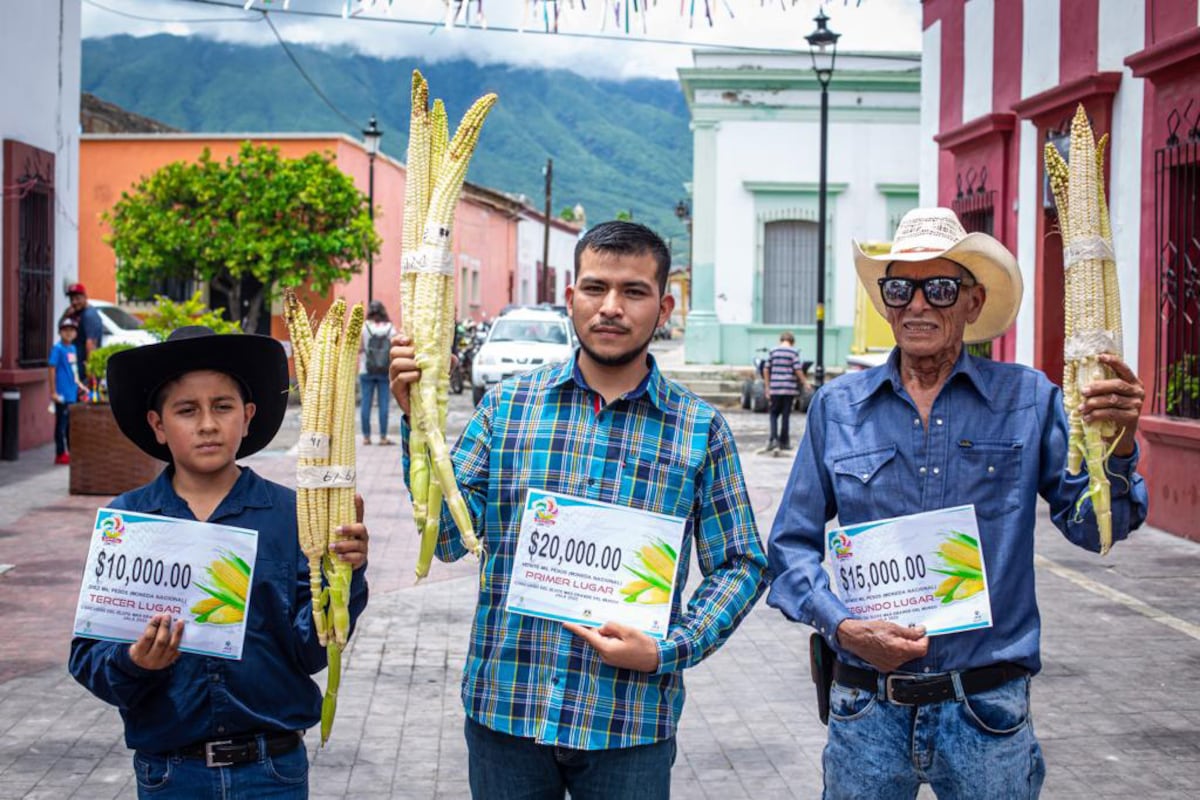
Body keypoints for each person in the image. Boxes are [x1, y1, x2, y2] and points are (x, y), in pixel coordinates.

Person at [766, 207, 1148, 799]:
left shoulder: (1029, 401)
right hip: (866, 706)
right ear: (886, 303)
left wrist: (1116, 447)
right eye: (900, 288)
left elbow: (1097, 527)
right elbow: (789, 547)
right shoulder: (836, 409)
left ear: (972, 303)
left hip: (987, 711)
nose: (918, 305)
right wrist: (841, 625)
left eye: (940, 288)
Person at [389, 221, 767, 800]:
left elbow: (740, 563)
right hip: (507, 710)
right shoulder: (507, 408)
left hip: (628, 723)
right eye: (595, 288)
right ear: (571, 299)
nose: (611, 308)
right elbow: (446, 538)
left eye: (633, 292)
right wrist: (418, 425)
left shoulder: (699, 429)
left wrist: (670, 649)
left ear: (663, 307)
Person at [68, 326, 370, 799]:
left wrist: (345, 575)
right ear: (158, 425)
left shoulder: (293, 518)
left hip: (272, 771)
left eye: (222, 407)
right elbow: (88, 658)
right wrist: (134, 662)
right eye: (187, 410)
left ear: (248, 418)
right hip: (170, 773)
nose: (207, 424)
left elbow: (312, 652)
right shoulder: (128, 523)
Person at [46, 317, 88, 465]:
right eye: (65, 330)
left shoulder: (73, 348)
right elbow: (52, 369)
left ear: (75, 333)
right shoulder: (57, 349)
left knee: (71, 425)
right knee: (61, 425)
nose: (68, 333)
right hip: (61, 394)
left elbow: (73, 369)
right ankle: (60, 453)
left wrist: (80, 387)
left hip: (72, 393)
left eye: (72, 330)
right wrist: (53, 392)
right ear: (60, 332)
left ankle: (70, 452)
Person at [761, 331, 809, 452]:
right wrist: (805, 382)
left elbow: (766, 369)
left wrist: (767, 387)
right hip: (789, 389)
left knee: (773, 414)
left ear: (780, 340)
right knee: (785, 415)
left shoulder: (773, 351)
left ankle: (773, 440)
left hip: (775, 388)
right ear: (792, 341)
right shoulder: (793, 352)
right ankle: (784, 442)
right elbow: (797, 369)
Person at [360, 300, 397, 445]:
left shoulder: (364, 327)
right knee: (383, 404)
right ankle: (382, 437)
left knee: (366, 403)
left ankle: (366, 437)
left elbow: (359, 348)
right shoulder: (390, 328)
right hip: (384, 370)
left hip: (366, 369)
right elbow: (394, 349)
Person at [63, 282, 104, 383]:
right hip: (75, 369)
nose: (74, 302)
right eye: (72, 299)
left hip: (85, 373)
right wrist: (66, 315)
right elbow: (61, 328)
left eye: (77, 298)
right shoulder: (76, 313)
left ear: (85, 297)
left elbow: (91, 343)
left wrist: (90, 372)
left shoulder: (89, 315)